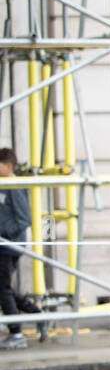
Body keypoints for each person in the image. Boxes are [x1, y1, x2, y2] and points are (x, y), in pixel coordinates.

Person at [0, 148, 31, 350]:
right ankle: (37, 313)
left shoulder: (14, 186)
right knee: (4, 288)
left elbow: (24, 218)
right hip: (3, 244)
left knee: (3, 289)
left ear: (8, 166)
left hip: (9, 246)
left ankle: (16, 333)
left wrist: (5, 233)